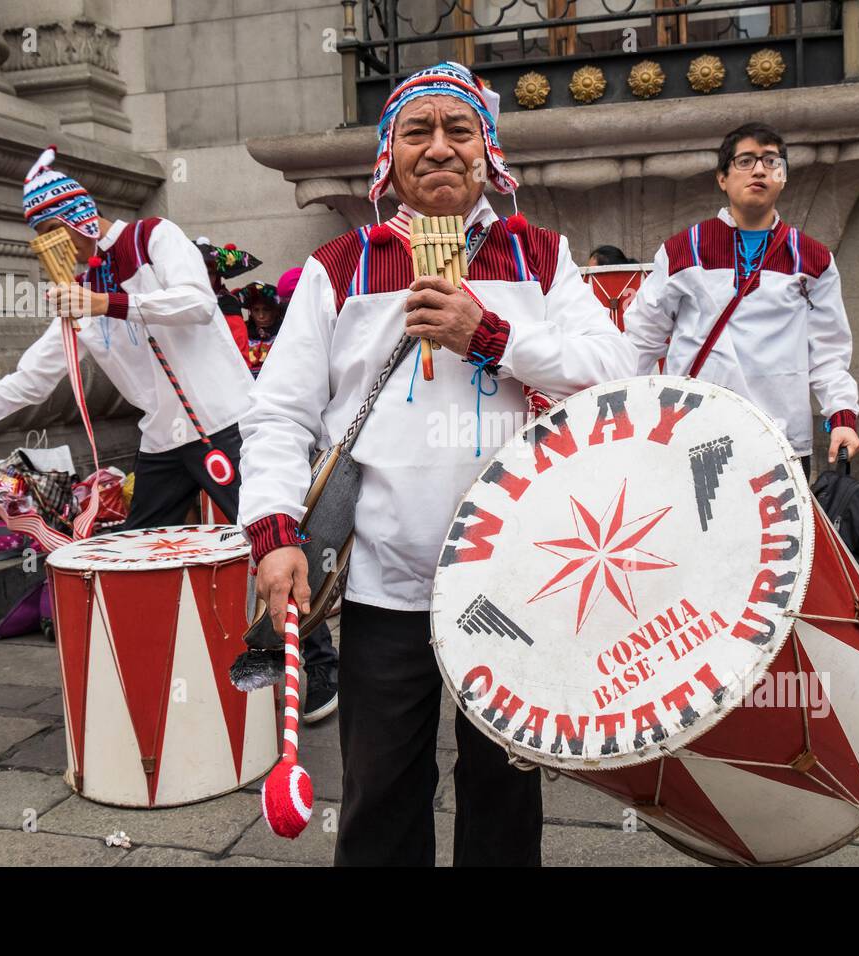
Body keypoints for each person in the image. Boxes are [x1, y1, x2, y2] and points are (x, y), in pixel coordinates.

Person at [237, 61, 635, 866]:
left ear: (489, 152)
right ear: (389, 158)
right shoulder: (339, 267)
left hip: (519, 577)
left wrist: (489, 335)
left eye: (460, 129)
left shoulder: (542, 256)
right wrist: (276, 532)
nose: (441, 148)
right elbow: (278, 414)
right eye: (417, 131)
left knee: (505, 790)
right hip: (388, 580)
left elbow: (616, 375)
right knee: (381, 788)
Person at [0, 146, 340, 721]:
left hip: (224, 424)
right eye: (39, 241)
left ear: (77, 217)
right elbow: (28, 380)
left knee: (269, 538)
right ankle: (156, 660)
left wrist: (104, 301)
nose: (49, 251)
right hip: (162, 440)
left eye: (51, 234)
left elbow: (196, 305)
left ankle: (320, 664)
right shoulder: (79, 295)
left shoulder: (153, 238)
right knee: (135, 548)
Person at [622, 122, 859, 479]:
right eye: (746, 161)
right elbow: (642, 339)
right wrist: (625, 416)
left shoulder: (813, 258)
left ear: (783, 176)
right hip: (693, 431)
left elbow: (828, 352)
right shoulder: (683, 250)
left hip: (779, 438)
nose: (761, 170)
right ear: (722, 177)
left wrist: (841, 417)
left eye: (771, 161)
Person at [196, 238, 259, 366]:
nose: (203, 277)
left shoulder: (226, 303)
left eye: (209, 272)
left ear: (217, 275)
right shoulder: (178, 299)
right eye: (197, 271)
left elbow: (240, 352)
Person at [238, 281, 283, 375]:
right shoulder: (241, 331)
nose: (261, 316)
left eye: (266, 310)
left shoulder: (285, 332)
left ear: (275, 311)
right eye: (256, 310)